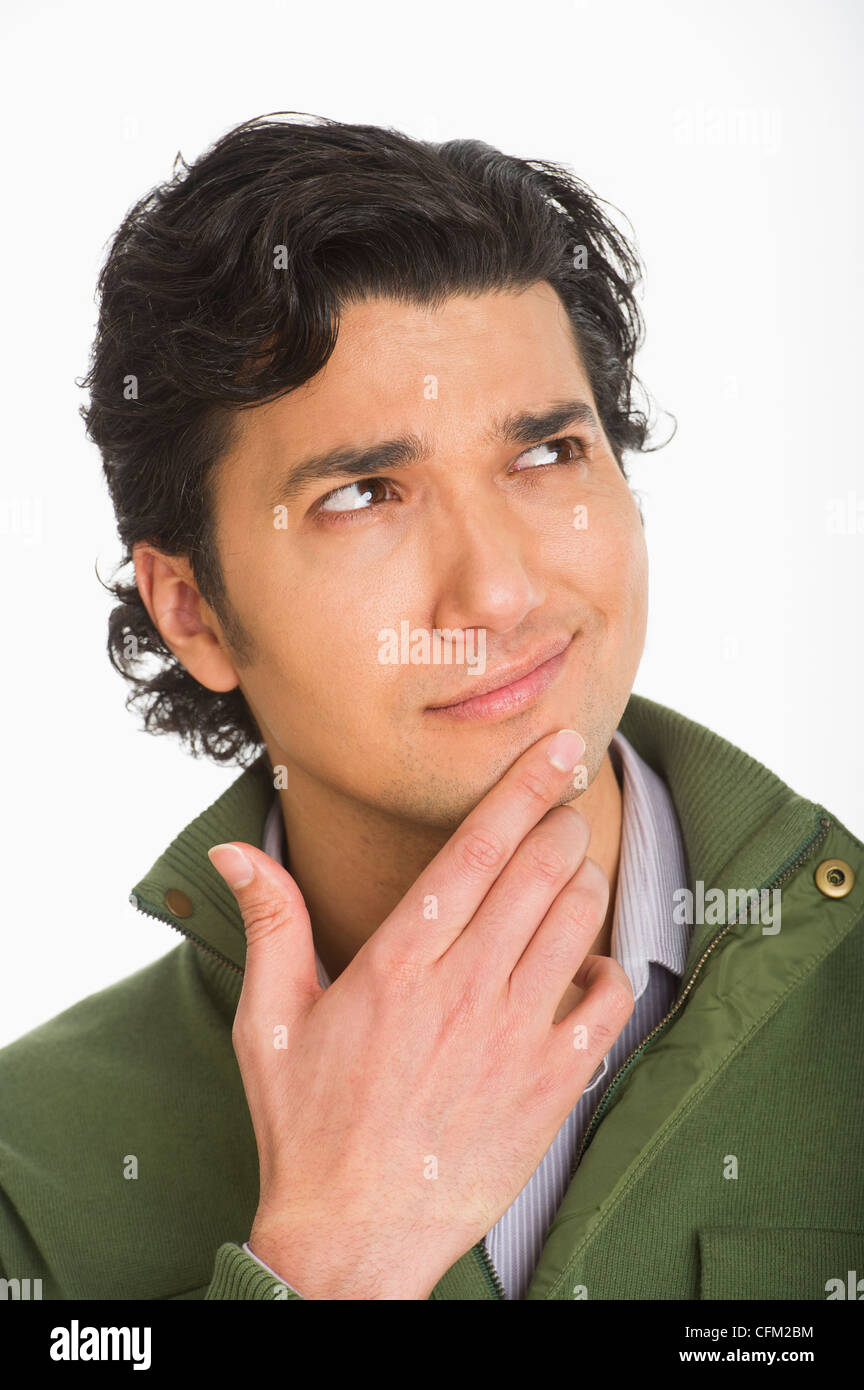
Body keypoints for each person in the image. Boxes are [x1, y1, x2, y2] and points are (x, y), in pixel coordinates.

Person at [0, 114, 861, 1302]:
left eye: (547, 455)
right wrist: (330, 1261)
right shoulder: (27, 1175)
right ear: (192, 609)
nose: (499, 591)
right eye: (364, 493)